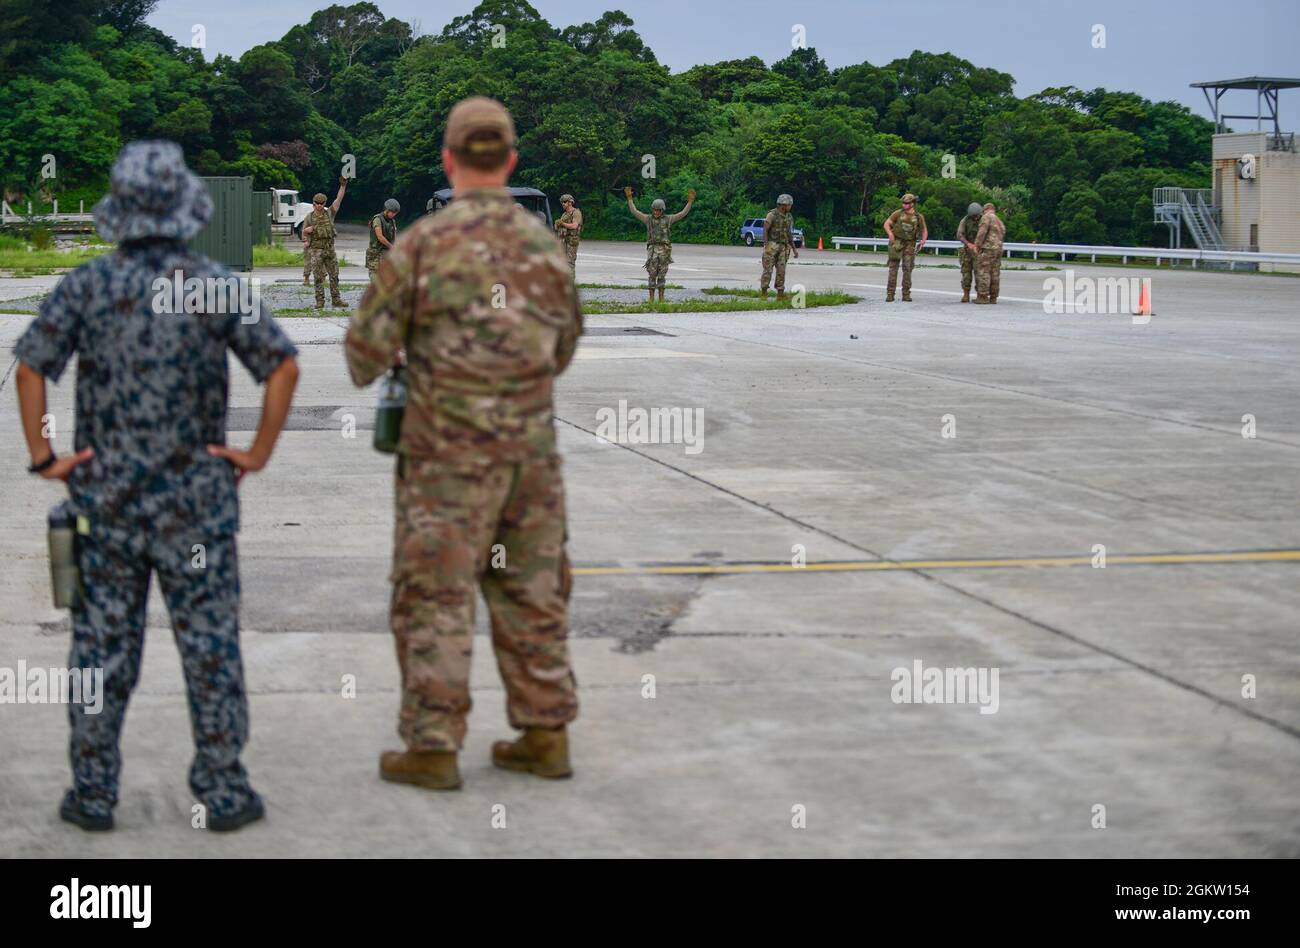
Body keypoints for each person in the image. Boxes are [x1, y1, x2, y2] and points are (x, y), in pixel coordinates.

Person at [13, 140, 300, 832]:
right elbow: (282, 366)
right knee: (209, 645)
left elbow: (30, 368)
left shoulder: (87, 284)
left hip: (105, 501)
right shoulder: (214, 283)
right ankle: (224, 790)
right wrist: (254, 453)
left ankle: (91, 792)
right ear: (184, 210)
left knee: (99, 649)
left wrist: (47, 457)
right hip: (196, 504)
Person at [345, 97, 582, 790]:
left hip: (445, 458)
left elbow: (364, 354)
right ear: (509, 161)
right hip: (531, 454)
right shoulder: (545, 245)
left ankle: (433, 745)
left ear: (450, 160)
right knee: (533, 589)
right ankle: (545, 735)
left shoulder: (422, 243)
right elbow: (563, 347)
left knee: (435, 594)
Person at [625, 185, 695, 302]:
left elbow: (682, 213)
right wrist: (629, 198)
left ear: (662, 210)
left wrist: (690, 202)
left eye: (658, 210)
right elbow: (634, 212)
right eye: (654, 210)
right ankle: (651, 298)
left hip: (664, 250)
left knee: (662, 274)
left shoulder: (668, 219)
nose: (656, 212)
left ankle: (661, 298)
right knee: (652, 274)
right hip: (652, 250)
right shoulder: (648, 219)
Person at [303, 176, 348, 309]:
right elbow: (303, 234)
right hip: (316, 251)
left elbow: (338, 199)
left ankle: (336, 300)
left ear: (324, 204)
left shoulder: (330, 214)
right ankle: (320, 301)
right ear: (313, 204)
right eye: (317, 203)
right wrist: (306, 232)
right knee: (318, 278)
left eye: (322, 203)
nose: (319, 205)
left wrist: (343, 186)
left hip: (330, 250)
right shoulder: (309, 217)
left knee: (334, 276)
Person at [883, 193, 928, 302]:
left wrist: (923, 240)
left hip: (910, 244)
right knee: (893, 269)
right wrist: (890, 233)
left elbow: (924, 230)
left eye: (907, 203)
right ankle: (890, 294)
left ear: (913, 204)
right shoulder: (898, 213)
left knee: (908, 269)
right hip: (897, 243)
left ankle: (906, 294)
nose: (904, 205)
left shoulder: (918, 217)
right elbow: (887, 224)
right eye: (903, 203)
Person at [760, 193, 799, 299]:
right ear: (783, 205)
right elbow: (765, 230)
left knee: (781, 270)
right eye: (789, 205)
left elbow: (789, 234)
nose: (790, 207)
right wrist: (766, 244)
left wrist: (794, 249)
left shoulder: (789, 217)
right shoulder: (772, 215)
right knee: (768, 270)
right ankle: (764, 293)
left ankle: (780, 294)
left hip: (784, 247)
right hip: (772, 245)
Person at [974, 202, 1006, 304]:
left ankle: (983, 297)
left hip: (988, 248)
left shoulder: (986, 217)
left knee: (984, 271)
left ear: (985, 210)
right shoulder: (999, 220)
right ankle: (993, 297)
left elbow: (982, 232)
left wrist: (977, 245)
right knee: (995, 273)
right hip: (999, 249)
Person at [956, 202, 984, 303]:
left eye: (977, 216)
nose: (975, 218)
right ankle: (966, 294)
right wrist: (968, 244)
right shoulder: (965, 220)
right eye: (973, 216)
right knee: (966, 274)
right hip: (968, 250)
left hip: (979, 251)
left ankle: (979, 295)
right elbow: (959, 234)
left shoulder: (984, 219)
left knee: (979, 274)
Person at [366, 199, 400, 282]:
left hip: (386, 254)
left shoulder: (392, 221)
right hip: (376, 253)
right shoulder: (377, 219)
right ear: (387, 210)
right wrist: (391, 247)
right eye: (393, 212)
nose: (394, 215)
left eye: (395, 213)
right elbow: (380, 237)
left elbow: (394, 236)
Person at [554, 194, 582, 270]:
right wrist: (557, 225)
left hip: (571, 242)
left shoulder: (576, 213)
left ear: (570, 202)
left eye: (565, 201)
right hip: (563, 241)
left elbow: (574, 226)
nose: (563, 203)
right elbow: (559, 227)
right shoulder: (564, 214)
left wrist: (562, 223)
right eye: (562, 202)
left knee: (570, 264)